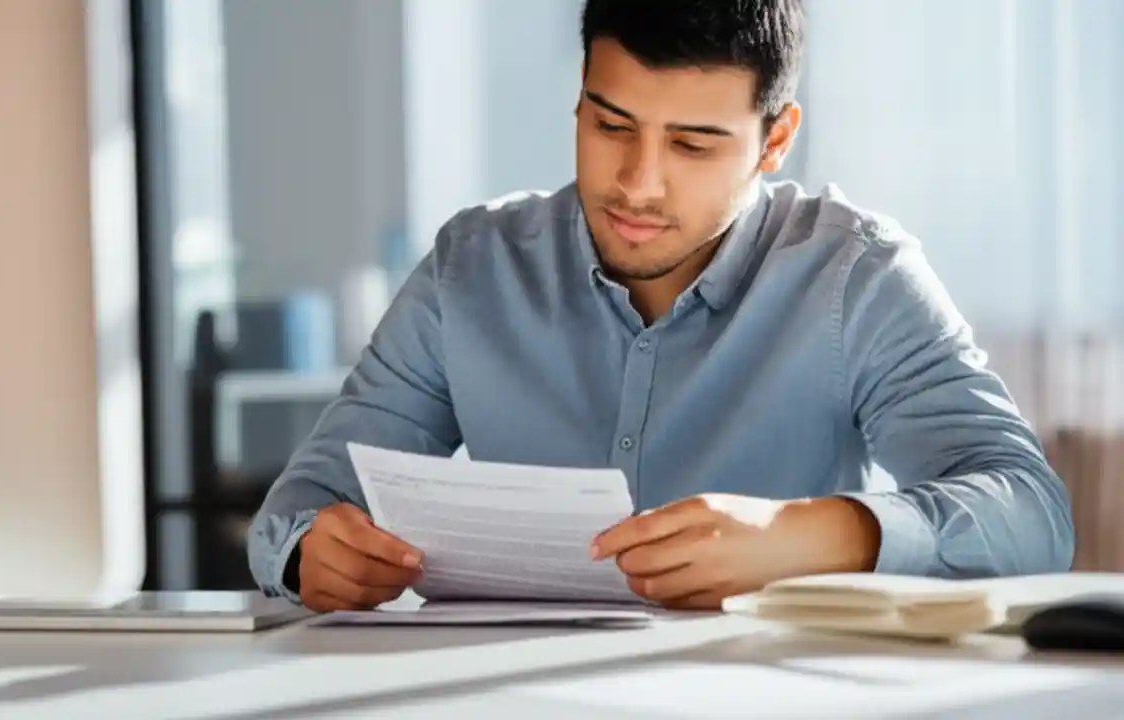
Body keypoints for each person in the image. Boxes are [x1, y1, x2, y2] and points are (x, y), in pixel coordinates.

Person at [247, 0, 1074, 613]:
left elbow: (1031, 514)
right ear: (580, 97)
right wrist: (310, 553)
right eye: (612, 126)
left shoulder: (854, 275)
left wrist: (809, 535)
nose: (639, 184)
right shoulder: (473, 266)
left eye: (692, 144)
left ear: (775, 140)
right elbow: (296, 510)